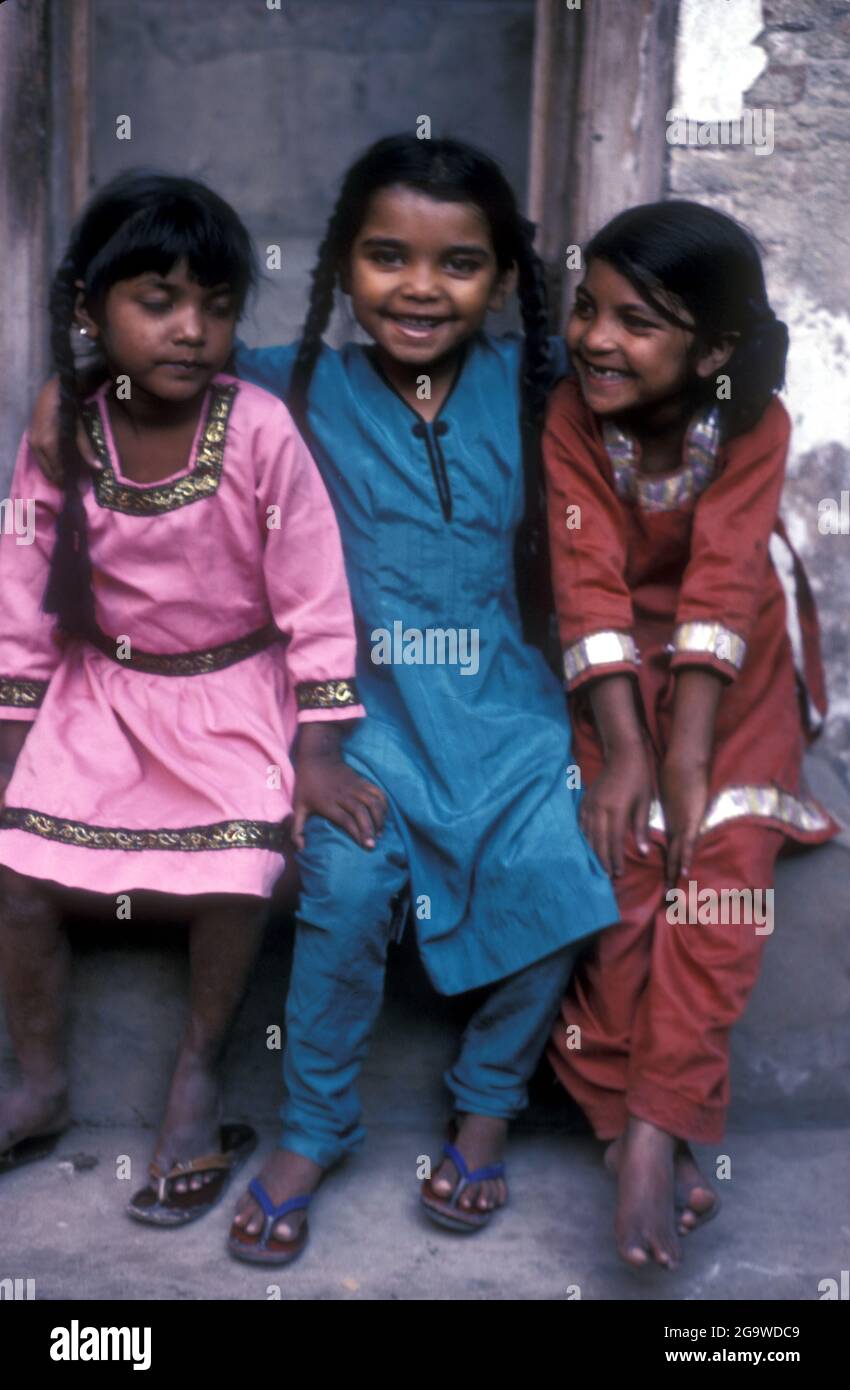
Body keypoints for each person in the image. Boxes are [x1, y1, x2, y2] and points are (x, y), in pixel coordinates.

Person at [29, 137, 618, 1266]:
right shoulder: (285, 379)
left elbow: (682, 385)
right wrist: (72, 385)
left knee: (563, 864)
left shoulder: (536, 385)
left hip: (501, 701)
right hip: (358, 707)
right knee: (344, 878)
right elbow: (149, 354)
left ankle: (485, 1104)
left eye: (457, 266)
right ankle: (314, 1126)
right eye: (387, 257)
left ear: (501, 283)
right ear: (341, 270)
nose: (418, 288)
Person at [0, 171, 373, 1228]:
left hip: (228, 696)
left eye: (215, 305)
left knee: (241, 868)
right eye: (156, 301)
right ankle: (39, 1082)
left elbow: (316, 600)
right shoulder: (65, 434)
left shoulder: (255, 430)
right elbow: (24, 590)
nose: (192, 329)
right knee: (19, 870)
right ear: (88, 310)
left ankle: (197, 1077)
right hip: (103, 693)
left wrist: (318, 751)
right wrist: (13, 736)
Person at [542, 201, 839, 1270]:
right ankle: (625, 1126)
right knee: (618, 866)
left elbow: (723, 575)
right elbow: (586, 585)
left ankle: (653, 1126)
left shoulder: (750, 420)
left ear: (712, 349)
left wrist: (689, 756)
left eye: (637, 320)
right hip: (612, 663)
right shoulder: (575, 415)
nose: (596, 339)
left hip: (736, 660)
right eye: (587, 310)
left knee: (716, 870)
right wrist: (627, 750)